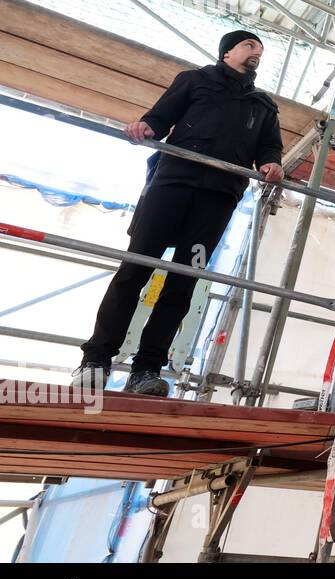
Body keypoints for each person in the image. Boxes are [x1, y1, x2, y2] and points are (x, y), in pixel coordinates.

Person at [71, 30, 285, 397]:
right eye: (250, 46)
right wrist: (145, 127)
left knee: (184, 281)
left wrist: (270, 164)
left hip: (218, 198)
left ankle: (146, 370)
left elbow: (269, 147)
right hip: (171, 186)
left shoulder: (263, 106)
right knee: (134, 270)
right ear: (227, 52)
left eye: (261, 51)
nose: (256, 54)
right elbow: (160, 116)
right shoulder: (194, 81)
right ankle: (96, 361)